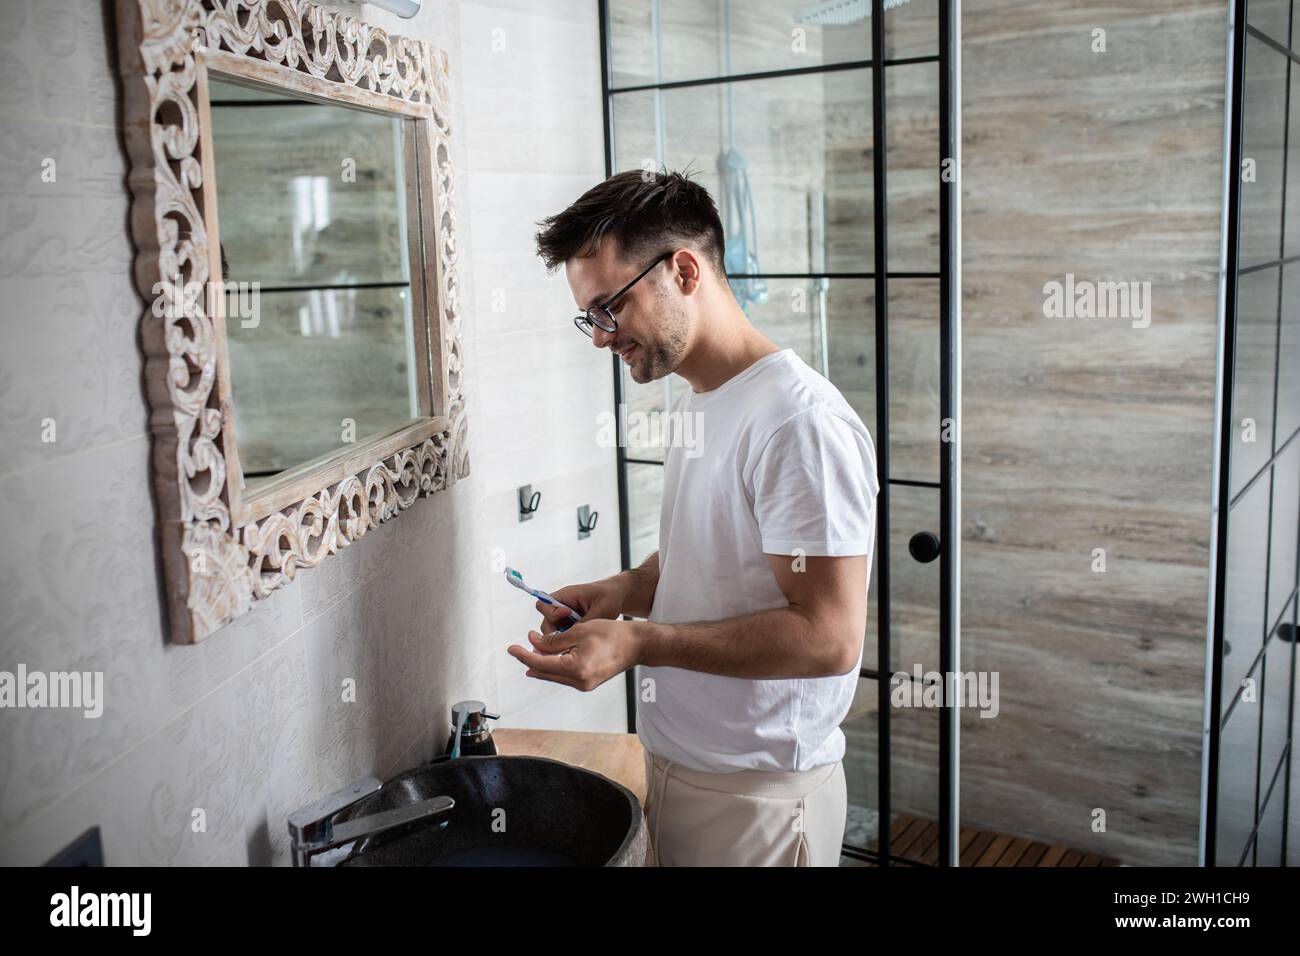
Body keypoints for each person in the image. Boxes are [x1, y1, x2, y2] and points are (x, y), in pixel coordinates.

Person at [507, 169, 879, 866]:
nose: (599, 336)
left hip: (762, 803)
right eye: (589, 315)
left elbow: (829, 638)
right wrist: (624, 590)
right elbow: (712, 555)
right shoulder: (700, 396)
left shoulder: (799, 423)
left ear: (682, 270)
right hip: (687, 773)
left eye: (609, 307)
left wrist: (641, 642)